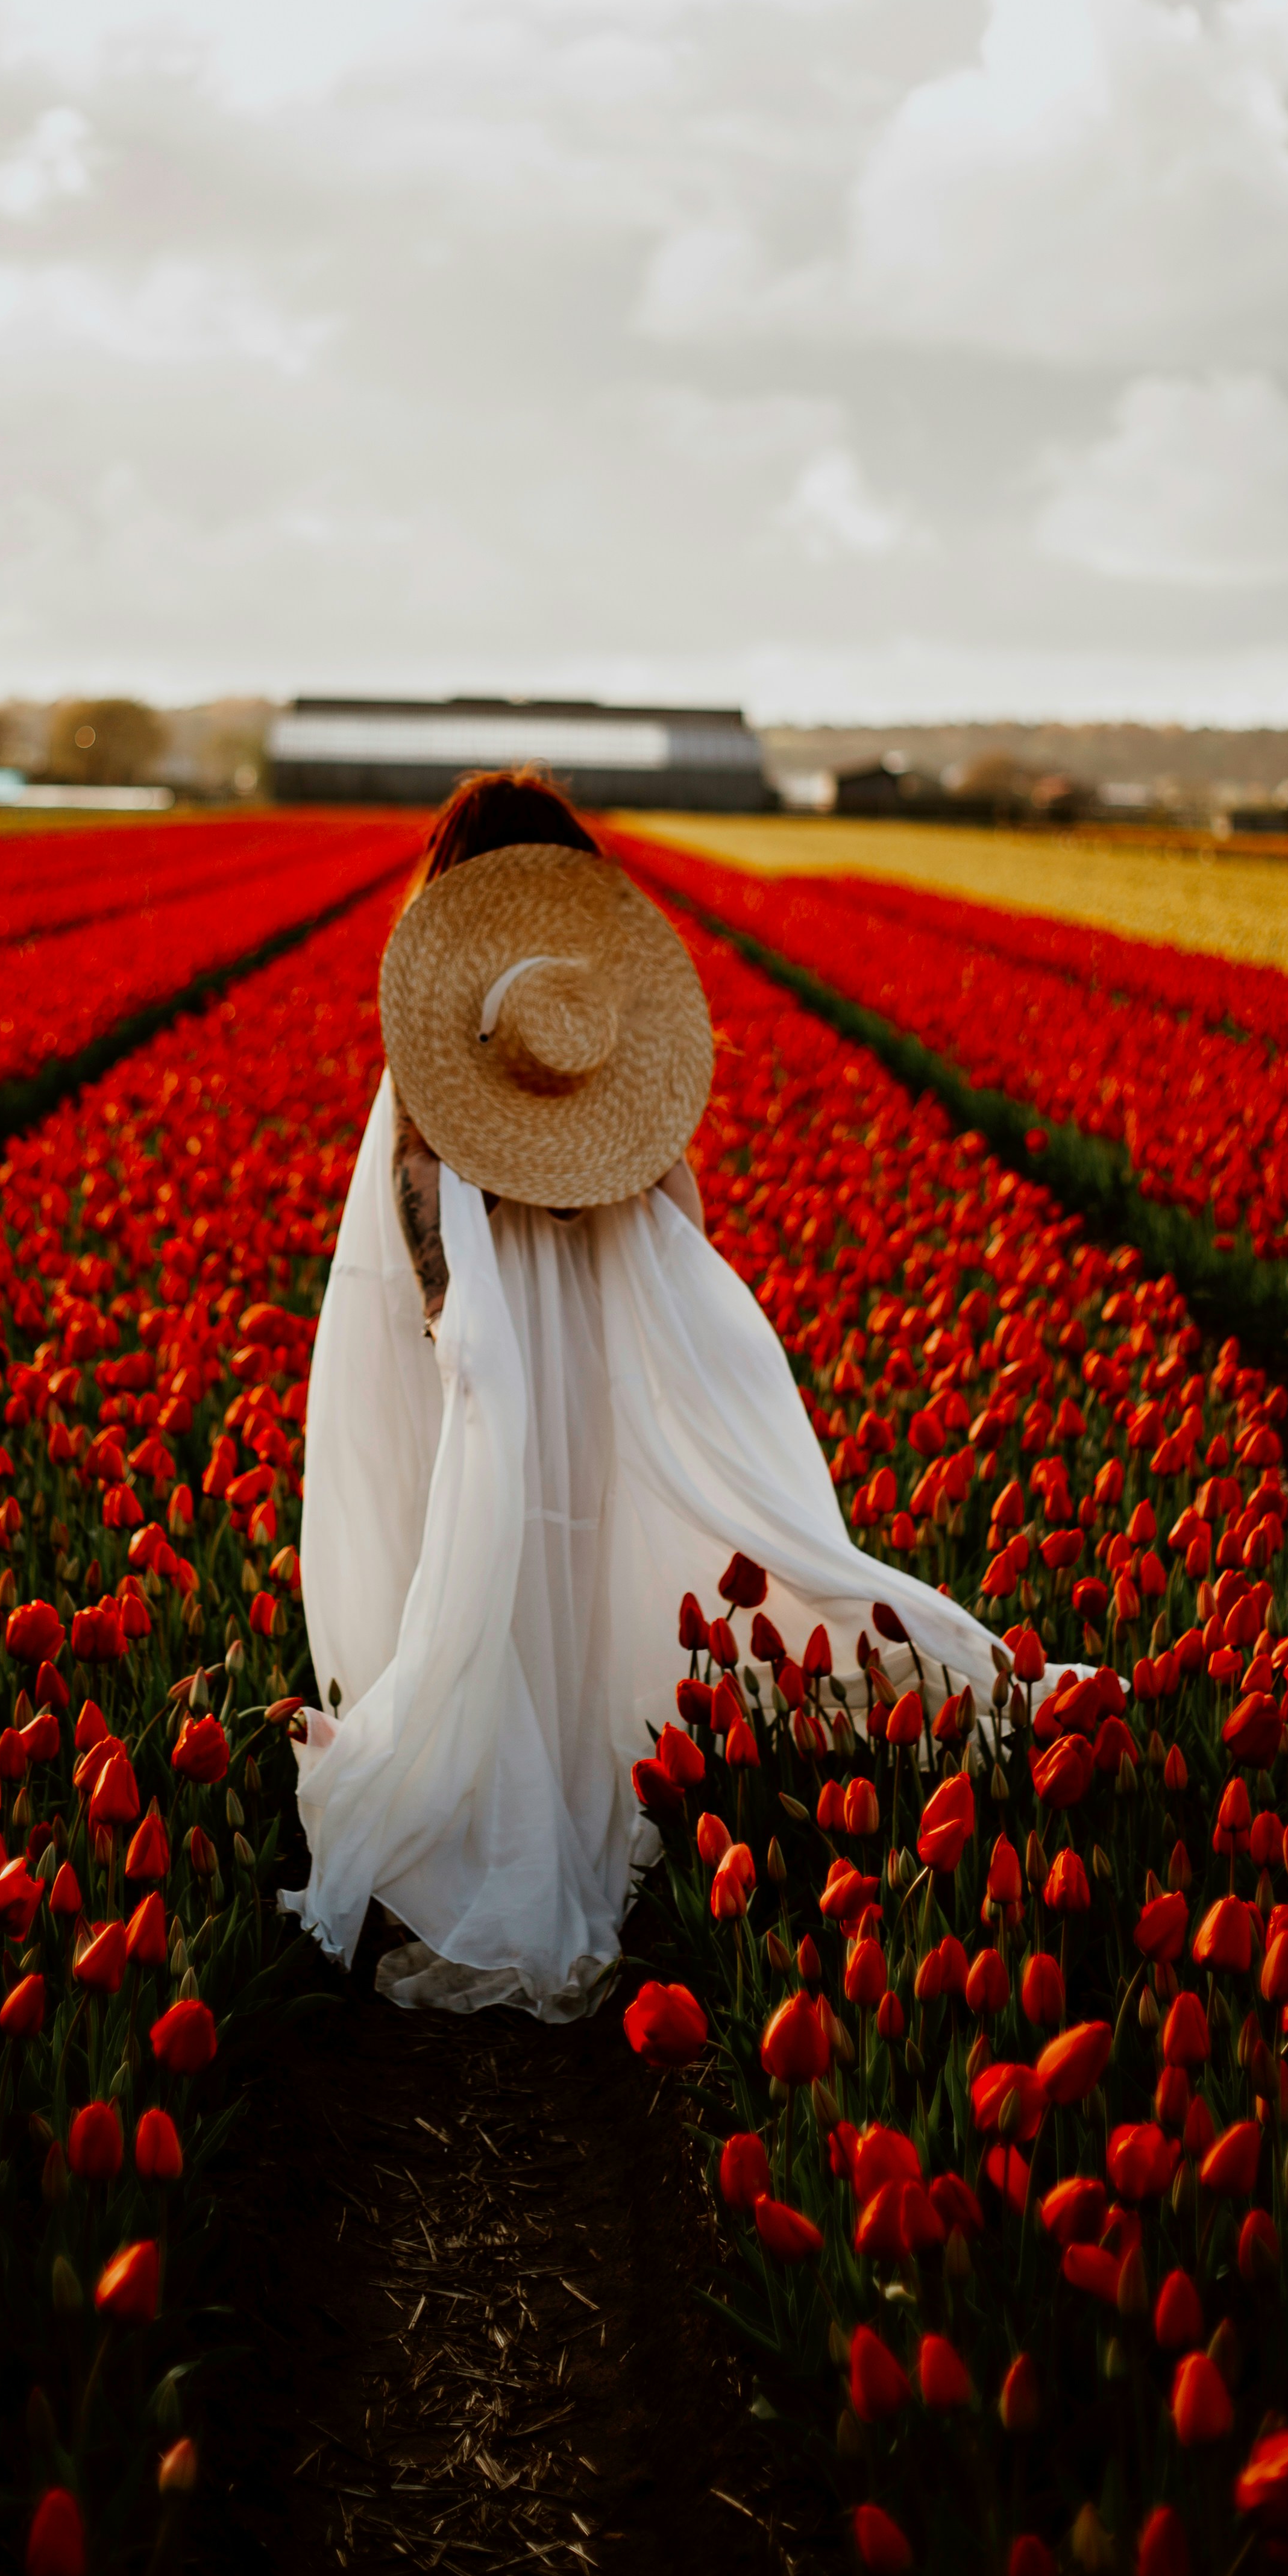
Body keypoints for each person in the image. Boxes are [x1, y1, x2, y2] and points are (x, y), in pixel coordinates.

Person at [284, 767, 1025, 2020]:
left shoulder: (462, 1020)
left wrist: (443, 1308)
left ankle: (509, 1811)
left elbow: (419, 1170)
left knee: (484, 1550)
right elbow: (670, 1189)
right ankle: (590, 1794)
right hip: (581, 1317)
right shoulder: (593, 1011)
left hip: (506, 1314)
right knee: (578, 1540)